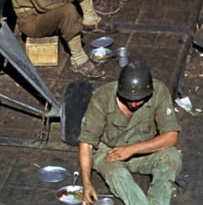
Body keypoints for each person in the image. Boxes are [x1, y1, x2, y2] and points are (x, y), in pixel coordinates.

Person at [78, 62, 182, 205]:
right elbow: (86, 143)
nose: (133, 104)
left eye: (139, 100)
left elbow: (171, 137)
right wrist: (87, 185)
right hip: (109, 153)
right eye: (128, 99)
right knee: (118, 176)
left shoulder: (159, 92)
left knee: (171, 158)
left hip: (142, 150)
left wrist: (131, 149)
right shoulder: (102, 97)